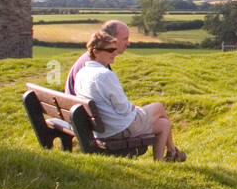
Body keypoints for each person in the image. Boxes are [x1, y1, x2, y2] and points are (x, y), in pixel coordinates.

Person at [75, 28, 185, 163]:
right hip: (118, 128)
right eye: (110, 50)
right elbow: (124, 109)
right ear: (95, 52)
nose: (115, 53)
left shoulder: (82, 73)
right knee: (159, 107)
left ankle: (164, 159)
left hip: (102, 128)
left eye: (115, 49)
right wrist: (134, 108)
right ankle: (172, 152)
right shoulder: (104, 75)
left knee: (163, 124)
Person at [65, 19, 130, 96]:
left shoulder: (92, 59)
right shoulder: (94, 67)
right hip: (84, 107)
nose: (128, 43)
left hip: (77, 106)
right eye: (125, 39)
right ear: (110, 38)